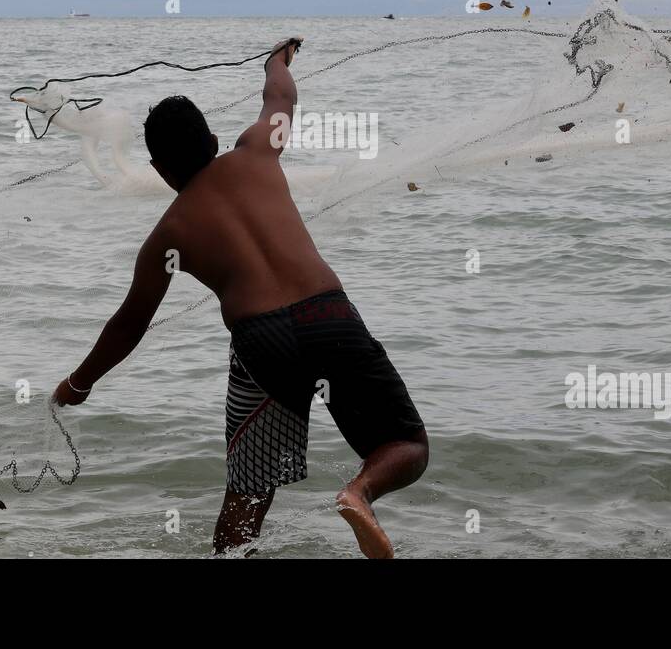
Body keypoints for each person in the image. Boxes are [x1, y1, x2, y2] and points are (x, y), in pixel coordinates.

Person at [53, 37, 428, 558]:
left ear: (161, 173)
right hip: (327, 314)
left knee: (249, 495)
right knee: (404, 445)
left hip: (261, 343)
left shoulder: (167, 236)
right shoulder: (257, 151)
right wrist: (277, 60)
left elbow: (129, 324)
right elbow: (282, 99)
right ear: (211, 139)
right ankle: (358, 494)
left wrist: (78, 383)